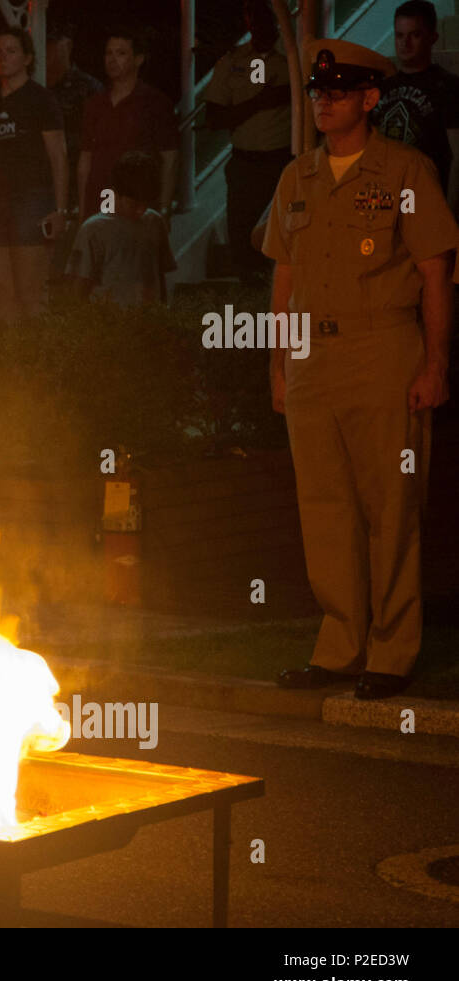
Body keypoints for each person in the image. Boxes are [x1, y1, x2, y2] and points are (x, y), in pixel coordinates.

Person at [263, 41, 459, 701]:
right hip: (314, 357)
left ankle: (393, 652)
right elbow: (283, 278)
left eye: (340, 90)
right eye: (319, 91)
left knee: (392, 506)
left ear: (370, 98)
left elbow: (437, 272)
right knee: (325, 508)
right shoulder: (297, 177)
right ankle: (340, 646)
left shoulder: (406, 171)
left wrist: (436, 363)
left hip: (382, 352)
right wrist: (279, 359)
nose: (325, 100)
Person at [0, 27, 67, 322]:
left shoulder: (40, 99)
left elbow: (58, 156)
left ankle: (37, 362)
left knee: (31, 291)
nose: (3, 57)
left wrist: (60, 209)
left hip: (29, 199)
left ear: (27, 58)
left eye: (11, 51)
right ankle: (7, 363)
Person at [204, 0, 292, 286]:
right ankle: (249, 299)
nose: (259, 19)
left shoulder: (293, 58)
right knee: (242, 238)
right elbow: (214, 116)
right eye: (252, 12)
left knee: (284, 239)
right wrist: (259, 103)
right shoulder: (233, 62)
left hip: (282, 164)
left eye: (265, 11)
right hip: (245, 165)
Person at [78, 29, 179, 222]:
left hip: (137, 205)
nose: (112, 59)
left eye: (121, 53)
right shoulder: (94, 104)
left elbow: (170, 159)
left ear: (138, 59)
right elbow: (85, 160)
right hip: (99, 205)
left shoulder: (155, 103)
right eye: (108, 53)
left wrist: (164, 210)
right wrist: (82, 214)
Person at [373, 0, 459, 208]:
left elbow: (458, 156)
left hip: (426, 199)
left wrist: (450, 210)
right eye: (400, 35)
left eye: (415, 35)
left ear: (432, 38)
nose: (405, 43)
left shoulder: (448, 87)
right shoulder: (380, 88)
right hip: (384, 198)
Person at [65, 150, 175, 306]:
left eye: (146, 204)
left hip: (148, 318)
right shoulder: (95, 229)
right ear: (116, 193)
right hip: (109, 322)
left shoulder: (154, 222)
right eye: (134, 204)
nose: (141, 210)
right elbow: (79, 286)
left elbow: (160, 274)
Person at [46, 19, 103, 280]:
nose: (45, 50)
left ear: (66, 46)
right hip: (39, 196)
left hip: (75, 197)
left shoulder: (88, 89)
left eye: (51, 44)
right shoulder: (33, 91)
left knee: (74, 274)